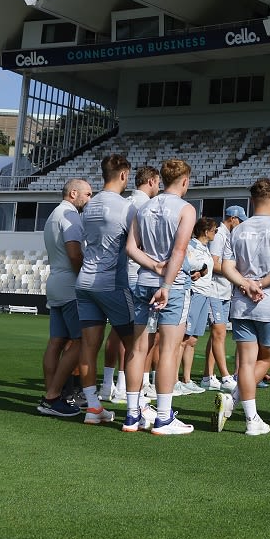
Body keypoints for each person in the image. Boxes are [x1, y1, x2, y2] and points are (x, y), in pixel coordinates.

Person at [214, 178, 270, 436]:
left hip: (242, 303)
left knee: (247, 363)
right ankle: (244, 411)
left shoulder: (237, 230)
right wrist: (258, 284)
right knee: (269, 356)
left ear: (252, 201)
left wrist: (246, 284)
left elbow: (226, 266)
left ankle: (247, 414)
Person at [125, 158, 198, 435]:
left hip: (143, 281)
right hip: (172, 285)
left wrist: (151, 265)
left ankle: (132, 415)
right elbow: (179, 252)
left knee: (138, 349)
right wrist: (166, 283)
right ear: (184, 180)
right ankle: (164, 417)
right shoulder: (186, 209)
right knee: (168, 349)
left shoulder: (143, 207)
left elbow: (131, 248)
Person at [74, 154, 139, 427]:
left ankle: (93, 407)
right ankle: (137, 409)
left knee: (89, 345)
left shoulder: (88, 206)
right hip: (112, 283)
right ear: (124, 175)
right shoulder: (126, 207)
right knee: (136, 345)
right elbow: (135, 248)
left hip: (85, 282)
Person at [101, 165, 160, 403]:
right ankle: (127, 387)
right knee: (137, 335)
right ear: (152, 181)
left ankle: (109, 385)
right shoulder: (143, 206)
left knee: (118, 332)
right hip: (136, 274)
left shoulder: (125, 202)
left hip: (119, 273)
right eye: (158, 182)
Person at [37, 178, 93, 418]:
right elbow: (74, 254)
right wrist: (88, 279)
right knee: (80, 342)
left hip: (55, 281)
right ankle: (53, 396)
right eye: (88, 194)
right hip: (70, 283)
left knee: (56, 342)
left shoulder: (53, 215)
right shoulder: (70, 216)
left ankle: (52, 395)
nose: (90, 199)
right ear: (73, 193)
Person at [200, 206, 244, 393]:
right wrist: (233, 272)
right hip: (215, 290)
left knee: (217, 335)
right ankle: (225, 376)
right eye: (240, 220)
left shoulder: (226, 235)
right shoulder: (219, 235)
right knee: (219, 333)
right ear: (233, 218)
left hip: (223, 291)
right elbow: (214, 262)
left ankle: (208, 376)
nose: (240, 224)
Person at [177, 217, 219, 394]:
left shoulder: (205, 249)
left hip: (204, 294)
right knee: (183, 339)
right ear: (206, 231)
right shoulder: (192, 245)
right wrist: (195, 273)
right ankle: (173, 379)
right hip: (194, 293)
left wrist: (202, 272)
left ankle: (186, 379)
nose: (215, 233)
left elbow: (204, 269)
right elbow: (185, 264)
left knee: (193, 340)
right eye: (214, 230)